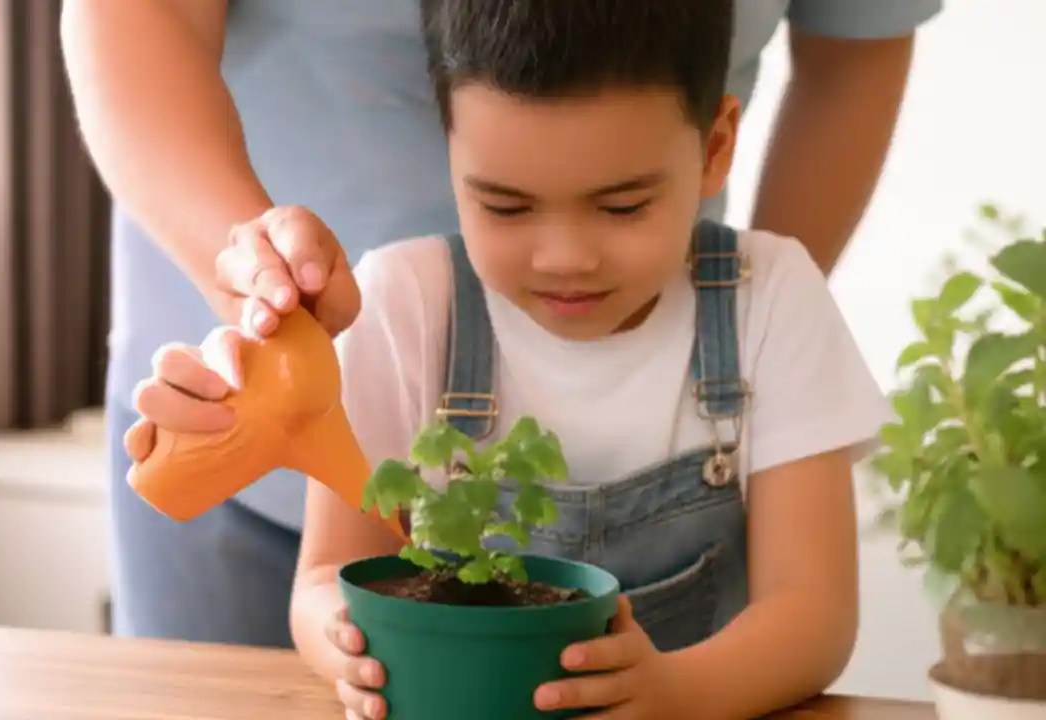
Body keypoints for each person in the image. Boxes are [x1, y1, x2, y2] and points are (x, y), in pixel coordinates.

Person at [60, 0, 939, 647]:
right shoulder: (400, 304)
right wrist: (256, 281)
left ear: (713, 145)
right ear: (452, 154)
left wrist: (742, 330)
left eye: (624, 204)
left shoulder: (764, 304)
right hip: (256, 375)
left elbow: (856, 53)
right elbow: (135, 17)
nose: (563, 258)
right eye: (505, 203)